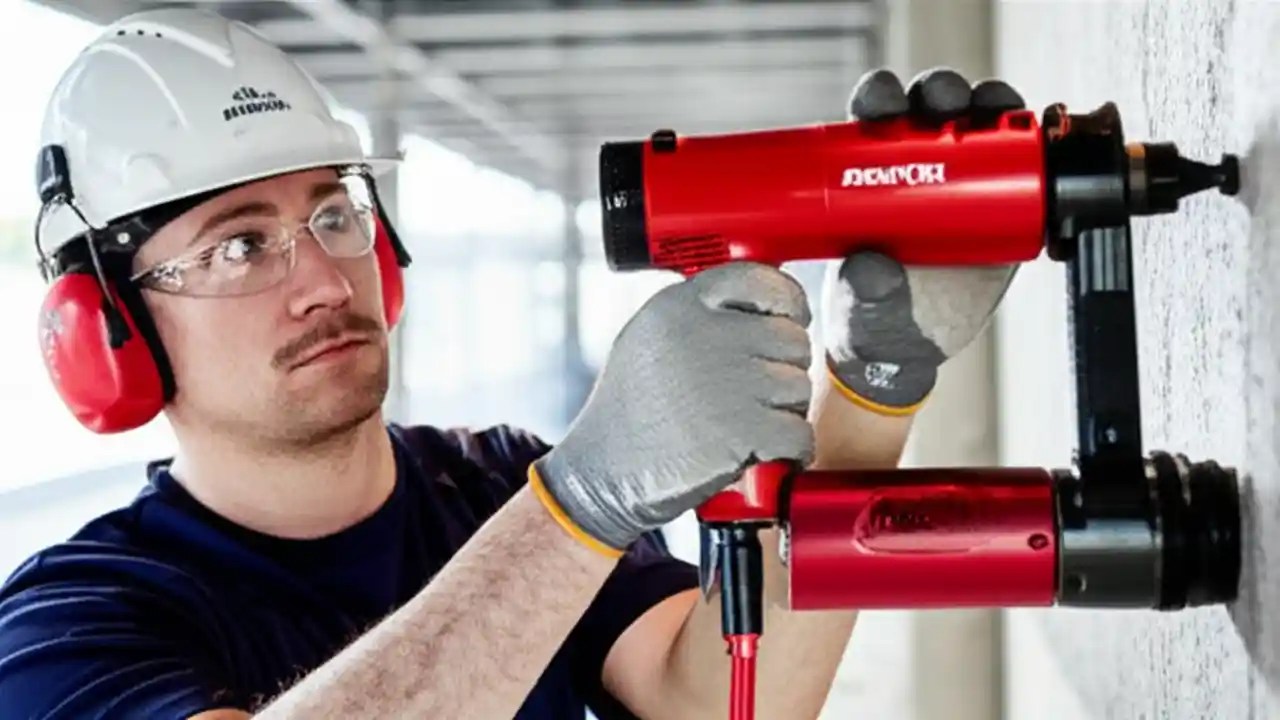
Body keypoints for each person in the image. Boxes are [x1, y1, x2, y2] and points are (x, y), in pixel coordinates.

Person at [0, 8, 1023, 720]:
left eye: (333, 214)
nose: (320, 278)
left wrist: (870, 388)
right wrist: (578, 505)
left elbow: (712, 699)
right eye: (239, 246)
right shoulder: (65, 625)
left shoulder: (493, 480)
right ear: (109, 330)